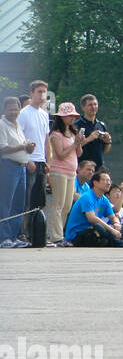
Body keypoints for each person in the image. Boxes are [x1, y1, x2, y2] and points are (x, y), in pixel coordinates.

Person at [45, 102, 83, 244]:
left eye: (73, 116)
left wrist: (78, 143)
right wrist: (74, 144)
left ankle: (59, 233)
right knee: (58, 203)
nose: (72, 118)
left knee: (67, 205)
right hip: (59, 171)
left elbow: (78, 153)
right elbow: (60, 154)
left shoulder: (72, 133)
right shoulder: (56, 135)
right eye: (69, 116)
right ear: (61, 118)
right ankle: (56, 236)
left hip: (71, 172)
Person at [65, 169, 123, 246]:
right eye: (105, 180)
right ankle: (119, 243)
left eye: (109, 181)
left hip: (96, 232)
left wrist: (116, 223)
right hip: (78, 235)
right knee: (98, 226)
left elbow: (113, 216)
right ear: (95, 182)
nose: (108, 183)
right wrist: (111, 230)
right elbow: (92, 218)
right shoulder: (87, 197)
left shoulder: (104, 199)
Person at [17, 80, 50, 241]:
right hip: (29, 161)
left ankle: (36, 233)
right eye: (39, 91)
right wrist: (26, 160)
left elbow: (45, 139)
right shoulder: (24, 113)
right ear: (31, 93)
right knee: (27, 200)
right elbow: (19, 137)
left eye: (44, 92)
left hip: (41, 162)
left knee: (39, 200)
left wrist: (47, 161)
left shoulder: (44, 114)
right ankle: (23, 232)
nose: (42, 95)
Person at [0, 96, 33, 247]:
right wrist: (23, 147)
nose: (13, 112)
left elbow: (22, 144)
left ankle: (14, 236)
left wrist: (28, 147)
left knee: (18, 204)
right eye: (10, 109)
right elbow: (3, 148)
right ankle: (4, 238)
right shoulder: (2, 124)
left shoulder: (17, 125)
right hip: (8, 166)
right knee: (6, 203)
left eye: (16, 109)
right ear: (4, 109)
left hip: (21, 167)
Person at [74, 94, 111, 169]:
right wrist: (89, 138)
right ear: (83, 107)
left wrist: (108, 142)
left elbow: (105, 151)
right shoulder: (76, 125)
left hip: (98, 167)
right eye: (90, 105)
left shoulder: (101, 125)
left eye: (95, 104)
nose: (93, 107)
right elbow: (72, 147)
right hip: (82, 167)